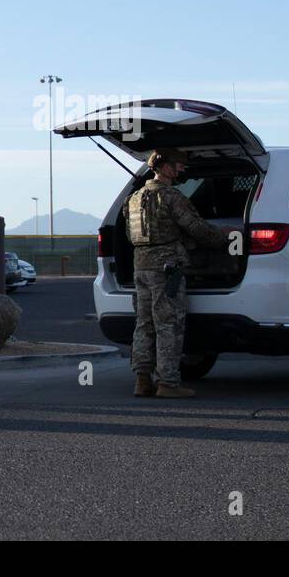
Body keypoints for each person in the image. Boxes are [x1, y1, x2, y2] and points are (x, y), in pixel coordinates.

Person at [126, 149, 226, 399]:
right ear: (165, 167)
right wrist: (225, 238)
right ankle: (168, 383)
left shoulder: (134, 198)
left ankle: (142, 380)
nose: (182, 169)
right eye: (178, 165)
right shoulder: (171, 197)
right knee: (168, 324)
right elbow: (196, 228)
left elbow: (130, 235)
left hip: (141, 266)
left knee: (144, 324)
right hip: (166, 269)